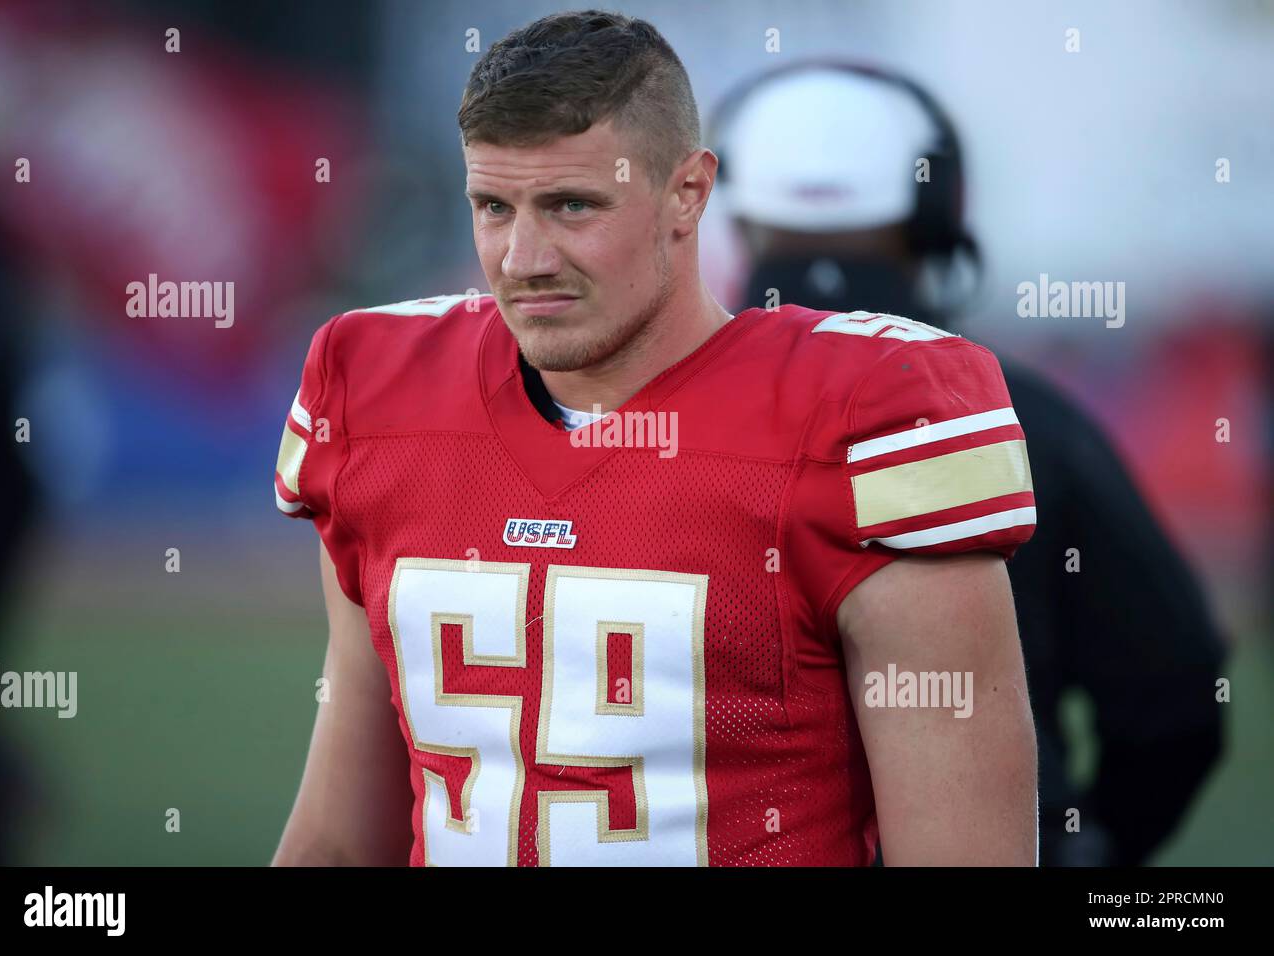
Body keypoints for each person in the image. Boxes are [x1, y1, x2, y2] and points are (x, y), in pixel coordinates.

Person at [271, 11, 1039, 867]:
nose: (524, 258)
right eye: (494, 206)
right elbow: (338, 844)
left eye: (572, 206)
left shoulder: (868, 415)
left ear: (688, 192)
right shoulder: (374, 387)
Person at [711, 60, 1226, 865]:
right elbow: (1178, 693)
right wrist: (1090, 850)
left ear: (729, 207)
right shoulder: (1032, 421)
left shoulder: (631, 417)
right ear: (935, 209)